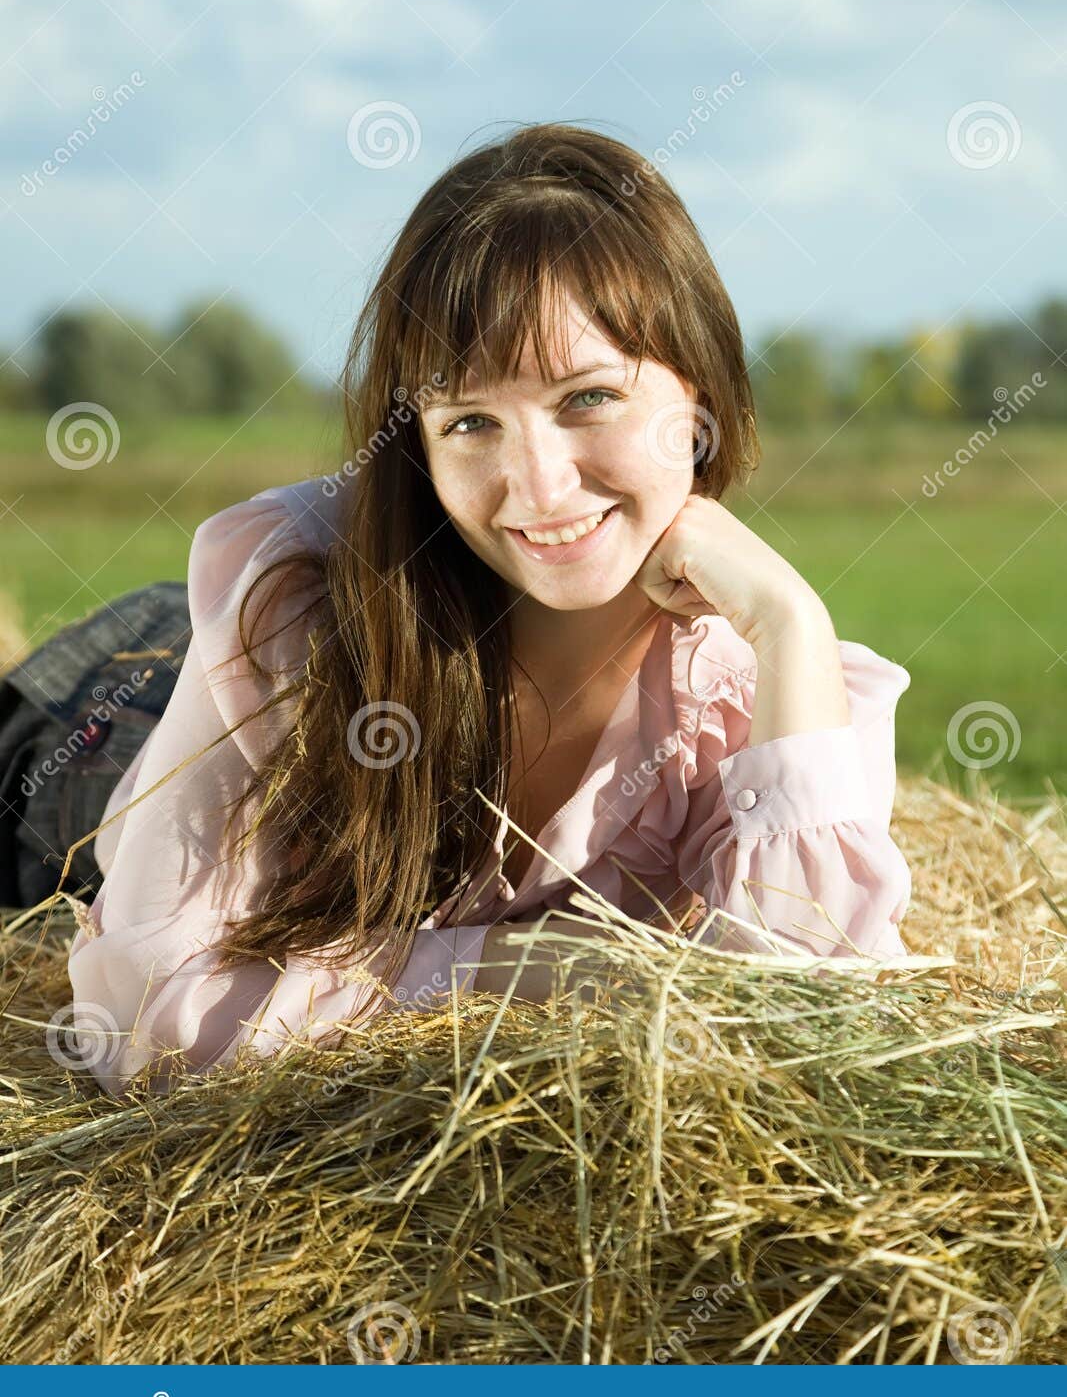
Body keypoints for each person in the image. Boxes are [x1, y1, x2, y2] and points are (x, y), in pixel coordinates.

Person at [53, 121, 912, 1097]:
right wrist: (568, 974)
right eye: (470, 421)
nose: (537, 486)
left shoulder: (767, 692)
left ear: (701, 392)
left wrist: (789, 621)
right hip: (106, 722)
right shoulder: (287, 608)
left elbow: (804, 1033)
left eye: (588, 398)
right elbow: (142, 1029)